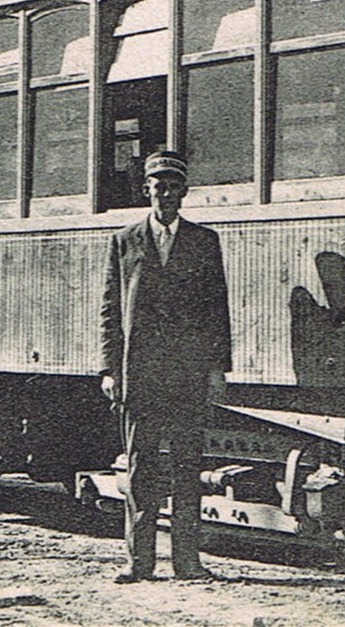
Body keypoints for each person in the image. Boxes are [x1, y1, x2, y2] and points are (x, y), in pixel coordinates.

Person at [100, 149, 232, 582]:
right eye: (159, 187)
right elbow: (110, 311)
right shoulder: (124, 240)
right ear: (147, 191)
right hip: (140, 374)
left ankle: (188, 562)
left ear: (184, 193)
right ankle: (139, 563)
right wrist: (110, 369)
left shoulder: (203, 241)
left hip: (189, 374)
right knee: (140, 469)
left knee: (187, 467)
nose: (167, 195)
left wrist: (217, 369)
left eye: (174, 188)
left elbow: (217, 310)